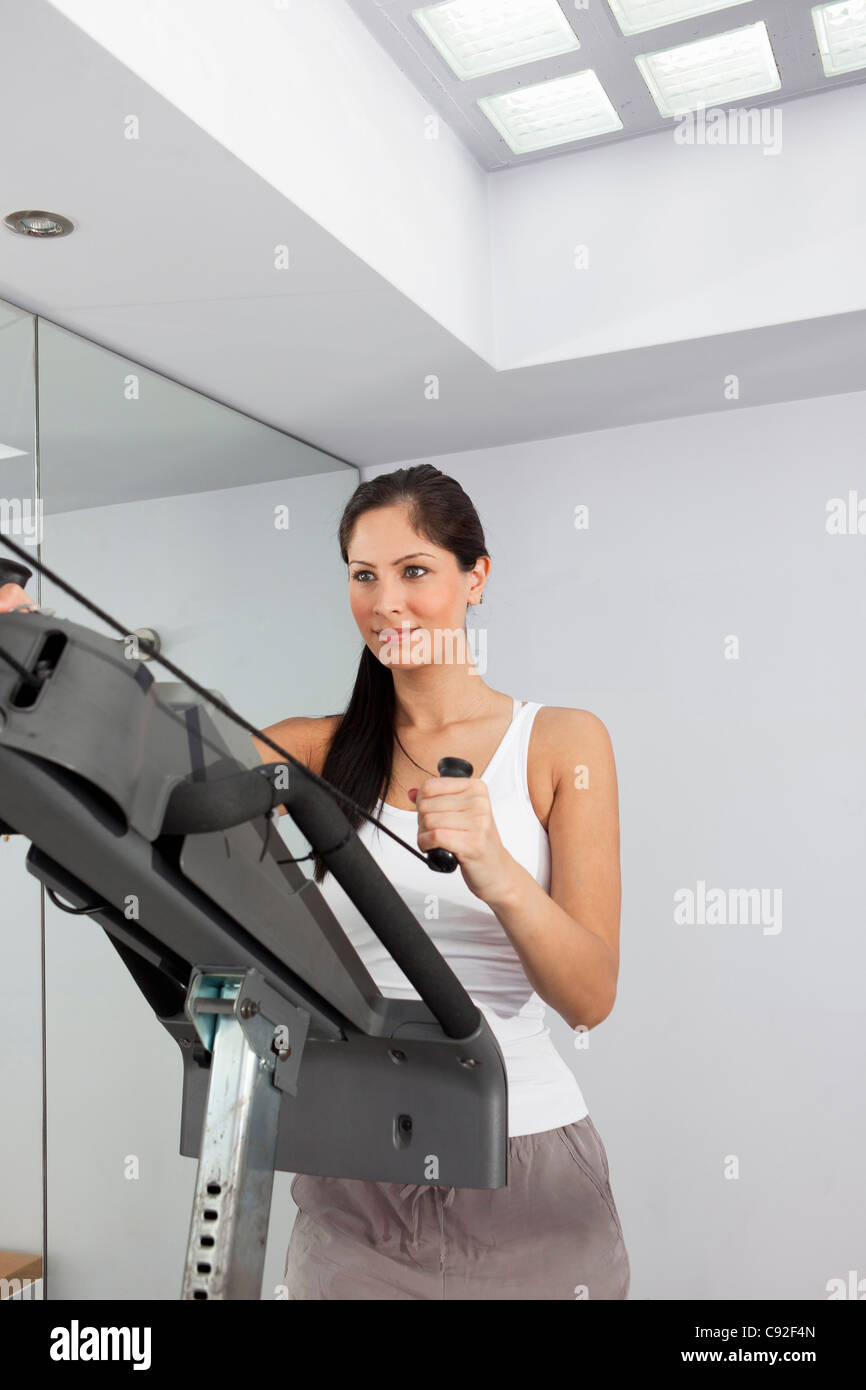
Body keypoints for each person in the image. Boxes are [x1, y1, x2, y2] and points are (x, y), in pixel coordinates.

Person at [251, 464, 630, 1300]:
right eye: (363, 575)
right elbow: (150, 777)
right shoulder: (311, 751)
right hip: (354, 1177)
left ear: (476, 577)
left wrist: (496, 868)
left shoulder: (561, 742)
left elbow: (589, 996)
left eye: (414, 570)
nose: (386, 601)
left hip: (520, 1163)